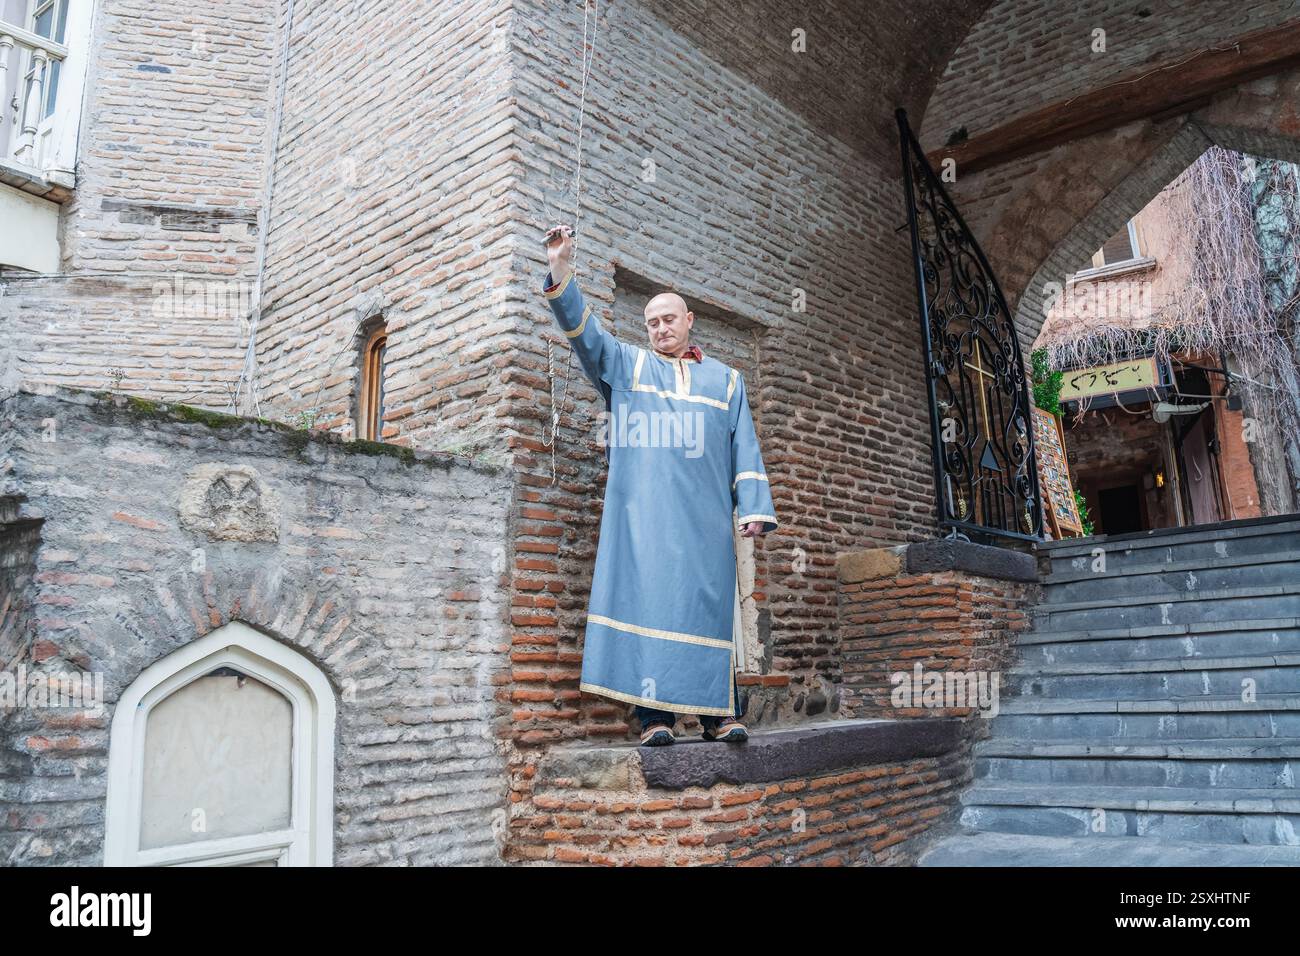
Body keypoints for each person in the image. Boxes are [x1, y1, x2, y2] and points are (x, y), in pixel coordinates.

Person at [540, 224, 778, 746]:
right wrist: (561, 270)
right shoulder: (629, 366)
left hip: (707, 523)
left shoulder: (726, 380)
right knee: (652, 610)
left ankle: (722, 718)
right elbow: (587, 335)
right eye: (651, 322)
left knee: (713, 615)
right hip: (645, 523)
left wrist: (753, 504)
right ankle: (655, 722)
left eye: (669, 318)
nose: (660, 328)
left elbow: (745, 444)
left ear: (689, 321)